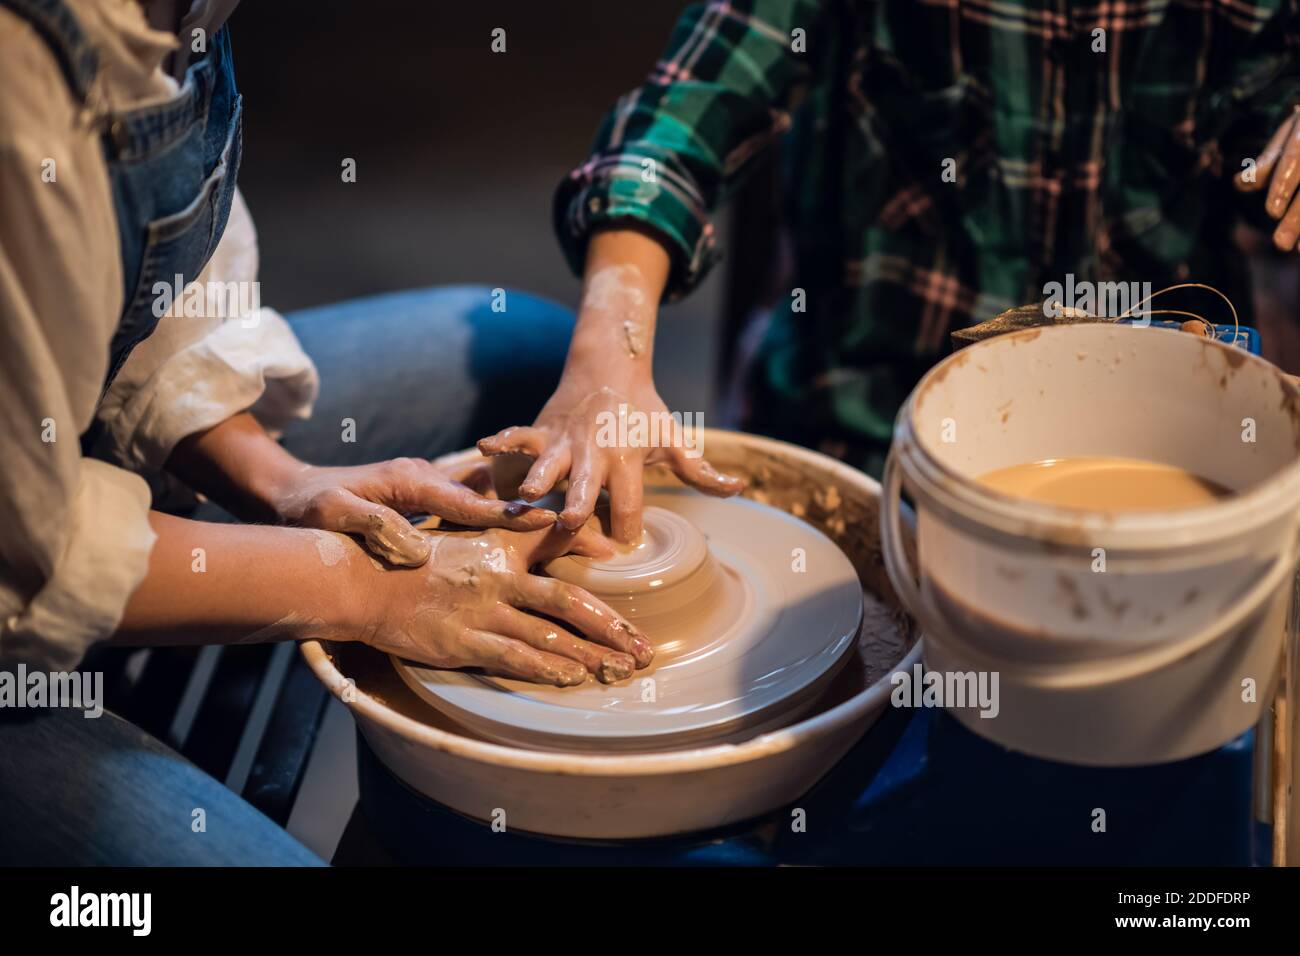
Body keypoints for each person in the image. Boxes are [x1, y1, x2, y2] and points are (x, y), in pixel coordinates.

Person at [0, 0, 706, 863]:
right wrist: (366, 592)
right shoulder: (21, 73)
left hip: (50, 427)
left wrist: (282, 480)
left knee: (523, 350)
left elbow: (148, 284)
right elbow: (19, 564)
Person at [479, 0, 1300, 525]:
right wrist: (606, 355)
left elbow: (1261, 191)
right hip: (864, 431)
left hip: (1165, 431)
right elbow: (680, 123)